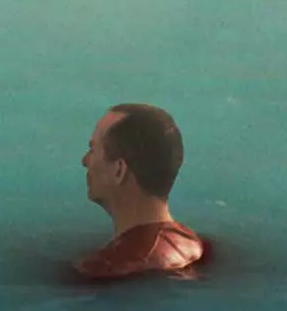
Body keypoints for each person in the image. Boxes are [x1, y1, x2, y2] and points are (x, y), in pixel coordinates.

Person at [75, 104, 205, 280]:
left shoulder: (109, 267)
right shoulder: (193, 246)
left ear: (119, 170)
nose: (85, 161)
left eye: (92, 150)